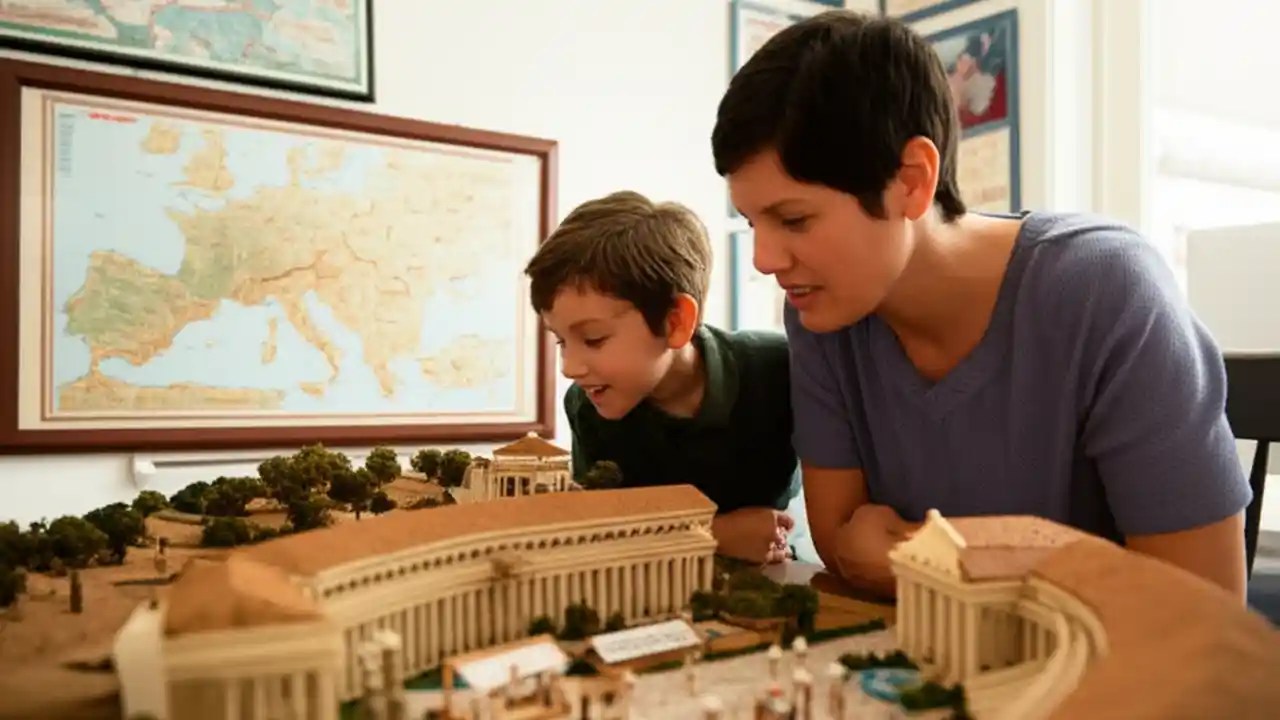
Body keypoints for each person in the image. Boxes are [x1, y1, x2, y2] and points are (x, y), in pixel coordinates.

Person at [711, 11, 1251, 600]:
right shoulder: (821, 314)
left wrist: (915, 555)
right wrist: (1039, 557)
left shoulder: (1107, 293)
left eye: (794, 219)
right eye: (751, 223)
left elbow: (1203, 601)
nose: (765, 259)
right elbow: (844, 549)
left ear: (913, 181)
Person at [524, 190, 803, 564]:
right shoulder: (587, 406)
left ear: (675, 322)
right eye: (561, 341)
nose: (569, 368)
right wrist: (715, 533)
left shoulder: (780, 369)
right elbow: (602, 535)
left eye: (593, 339)